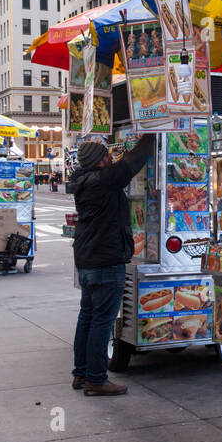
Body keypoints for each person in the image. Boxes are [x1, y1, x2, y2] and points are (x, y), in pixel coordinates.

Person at [67, 138, 150, 396]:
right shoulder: (103, 181)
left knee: (88, 317)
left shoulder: (85, 181)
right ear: (98, 161)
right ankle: (96, 378)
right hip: (106, 260)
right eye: (106, 156)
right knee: (101, 322)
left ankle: (81, 373)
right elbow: (132, 162)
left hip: (89, 259)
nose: (110, 160)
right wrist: (155, 131)